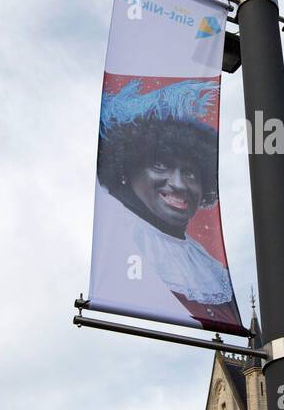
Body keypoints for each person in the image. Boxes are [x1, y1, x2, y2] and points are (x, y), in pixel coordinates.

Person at [95, 78, 240, 330]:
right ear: (127, 168)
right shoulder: (117, 240)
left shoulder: (212, 270)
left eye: (190, 173)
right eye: (160, 165)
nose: (179, 184)